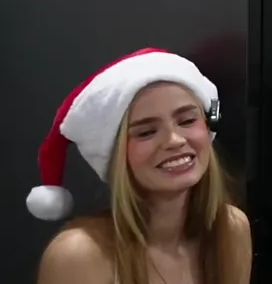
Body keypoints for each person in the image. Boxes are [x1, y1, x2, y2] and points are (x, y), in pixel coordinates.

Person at [28, 48, 252, 284]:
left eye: (187, 120)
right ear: (116, 156)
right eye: (146, 132)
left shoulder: (231, 229)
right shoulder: (79, 255)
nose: (174, 140)